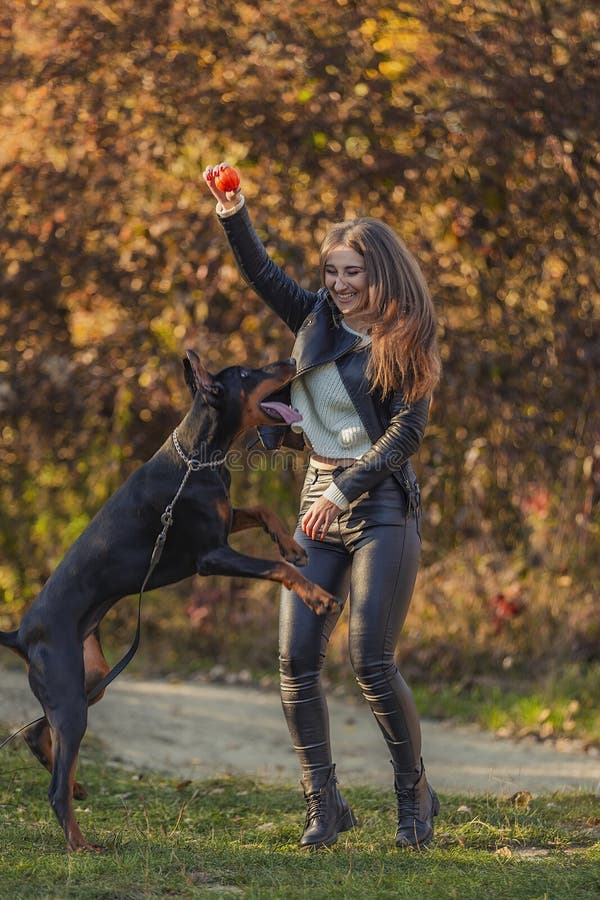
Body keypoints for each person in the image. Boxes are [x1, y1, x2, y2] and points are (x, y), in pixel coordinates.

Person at [203, 164, 442, 850]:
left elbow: (407, 433)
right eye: (332, 272)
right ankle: (324, 805)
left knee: (370, 659)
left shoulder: (408, 336)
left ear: (382, 277)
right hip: (316, 502)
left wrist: (345, 487)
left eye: (352, 274)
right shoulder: (314, 317)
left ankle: (414, 795)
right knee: (296, 658)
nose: (338, 285)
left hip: (381, 507)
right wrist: (233, 210)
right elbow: (261, 272)